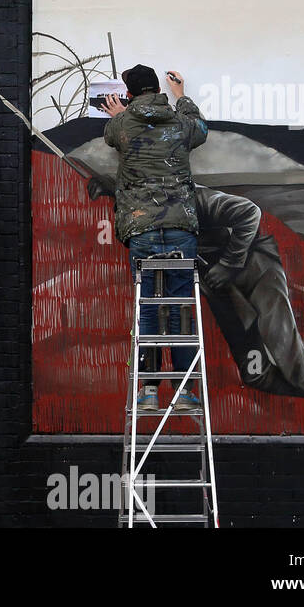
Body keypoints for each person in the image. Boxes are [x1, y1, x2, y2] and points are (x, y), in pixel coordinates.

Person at [86, 173, 304, 433]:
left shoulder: (193, 198)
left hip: (257, 274)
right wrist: (113, 190)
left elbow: (250, 212)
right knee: (256, 376)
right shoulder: (149, 216)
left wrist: (229, 263)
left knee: (292, 362)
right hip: (224, 293)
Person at [99, 64, 208, 412]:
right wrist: (181, 96)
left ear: (130, 93)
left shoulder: (121, 124)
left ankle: (147, 391)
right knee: (180, 310)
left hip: (141, 228)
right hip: (180, 227)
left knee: (147, 310)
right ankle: (185, 392)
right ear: (157, 89)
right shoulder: (179, 121)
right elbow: (201, 130)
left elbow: (111, 134)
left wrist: (121, 112)